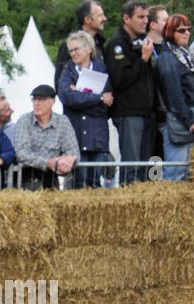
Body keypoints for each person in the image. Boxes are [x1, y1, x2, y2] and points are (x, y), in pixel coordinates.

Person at [107, 2, 157, 182]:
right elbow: (121, 80)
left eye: (147, 17)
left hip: (148, 113)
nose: (145, 21)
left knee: (147, 167)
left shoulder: (145, 42)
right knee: (132, 168)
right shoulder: (116, 45)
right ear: (127, 19)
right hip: (129, 113)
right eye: (140, 17)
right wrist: (143, 59)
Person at [60, 32, 116, 187]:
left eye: (76, 49)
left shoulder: (102, 69)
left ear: (88, 49)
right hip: (76, 136)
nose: (73, 53)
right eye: (71, 50)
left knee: (95, 183)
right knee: (78, 183)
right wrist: (97, 98)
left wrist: (79, 94)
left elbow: (108, 103)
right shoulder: (67, 71)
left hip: (97, 135)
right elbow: (67, 98)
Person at [156, 13, 194, 178]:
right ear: (170, 33)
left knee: (187, 173)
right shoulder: (167, 58)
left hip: (187, 115)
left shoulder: (183, 54)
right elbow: (173, 95)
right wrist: (191, 122)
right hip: (176, 119)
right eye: (181, 30)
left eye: (188, 29)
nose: (187, 33)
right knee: (175, 173)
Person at [10, 85, 80, 188]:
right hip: (24, 181)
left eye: (41, 99)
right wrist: (48, 163)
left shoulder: (63, 121)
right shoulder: (24, 120)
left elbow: (74, 152)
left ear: (53, 101)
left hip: (51, 182)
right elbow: (21, 153)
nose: (36, 103)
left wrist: (68, 160)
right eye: (34, 99)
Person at [56, 1, 109, 83]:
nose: (104, 18)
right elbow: (59, 82)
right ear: (87, 19)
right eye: (100, 15)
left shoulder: (99, 44)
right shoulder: (68, 45)